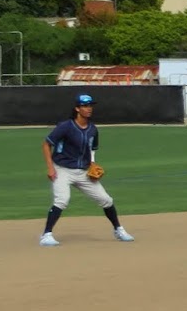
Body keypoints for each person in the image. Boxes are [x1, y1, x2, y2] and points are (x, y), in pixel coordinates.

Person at [39, 93, 135, 246]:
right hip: (62, 169)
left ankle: (118, 229)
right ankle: (46, 235)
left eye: (90, 105)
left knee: (106, 200)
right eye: (85, 106)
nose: (88, 109)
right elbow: (46, 144)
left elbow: (92, 149)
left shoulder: (92, 129)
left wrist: (92, 165)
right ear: (77, 109)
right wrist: (50, 168)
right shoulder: (66, 126)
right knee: (62, 200)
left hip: (83, 172)